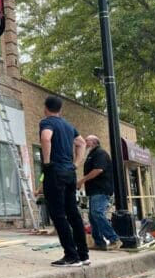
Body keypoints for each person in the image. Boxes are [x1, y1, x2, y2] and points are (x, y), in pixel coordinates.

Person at [39, 95, 90, 267]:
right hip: (69, 172)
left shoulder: (47, 122)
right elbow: (82, 143)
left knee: (58, 214)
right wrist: (75, 164)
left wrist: (46, 163)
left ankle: (70, 255)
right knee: (73, 213)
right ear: (60, 109)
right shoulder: (68, 126)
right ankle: (83, 255)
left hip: (55, 172)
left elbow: (46, 138)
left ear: (46, 108)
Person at [77, 135, 121, 251]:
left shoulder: (100, 153)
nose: (85, 143)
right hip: (94, 190)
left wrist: (82, 180)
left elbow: (98, 170)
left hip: (101, 189)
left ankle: (114, 239)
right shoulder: (91, 154)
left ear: (94, 142)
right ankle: (99, 242)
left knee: (97, 213)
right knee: (92, 216)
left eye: (87, 141)